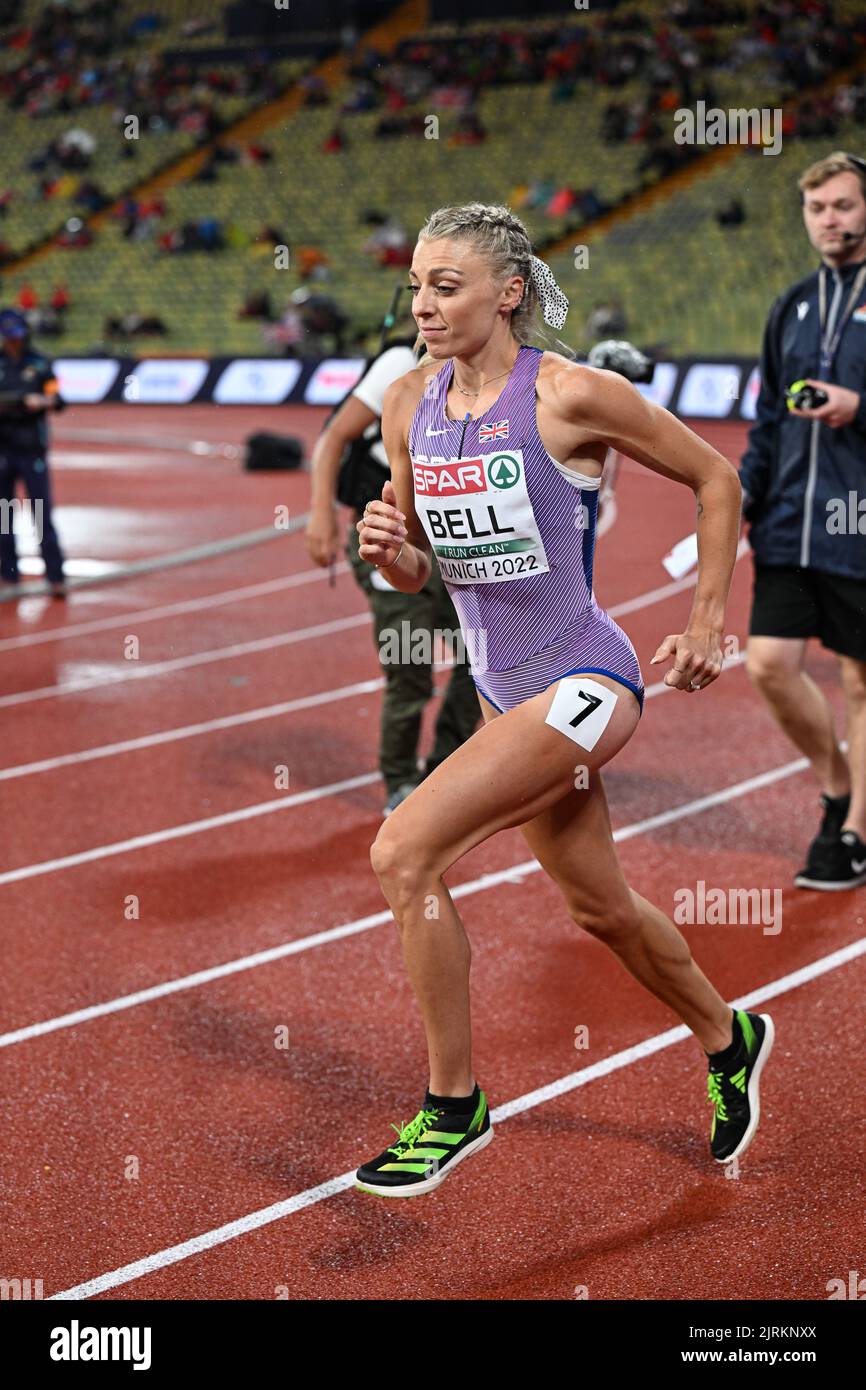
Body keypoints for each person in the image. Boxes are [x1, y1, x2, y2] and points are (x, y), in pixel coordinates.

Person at [352, 203, 774, 1197]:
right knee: (600, 907)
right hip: (506, 695)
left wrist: (706, 618)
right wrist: (395, 554)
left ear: (506, 293)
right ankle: (728, 1036)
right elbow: (427, 575)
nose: (421, 304)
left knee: (402, 850)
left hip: (587, 679)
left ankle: (452, 1105)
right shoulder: (407, 403)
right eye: (414, 284)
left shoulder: (572, 395)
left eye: (444, 286)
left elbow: (715, 479)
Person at [739, 151, 866, 891]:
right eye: (819, 209)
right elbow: (767, 420)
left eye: (845, 205)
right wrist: (743, 495)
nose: (832, 220)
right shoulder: (792, 305)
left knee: (860, 683)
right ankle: (840, 783)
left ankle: (852, 833)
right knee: (768, 665)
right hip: (789, 524)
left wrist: (860, 407)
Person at [305, 326, 479, 815]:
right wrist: (321, 514)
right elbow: (334, 437)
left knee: (481, 658)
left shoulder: (486, 375)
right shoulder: (398, 364)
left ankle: (444, 770)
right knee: (410, 666)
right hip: (386, 536)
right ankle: (401, 782)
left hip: (450, 538)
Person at [0, 307, 67, 596]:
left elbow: (58, 399)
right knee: (4, 516)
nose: (13, 341)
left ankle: (54, 575)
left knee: (40, 513)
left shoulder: (40, 363)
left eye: (17, 335)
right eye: (8, 336)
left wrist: (42, 401)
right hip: (2, 448)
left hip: (31, 450)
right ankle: (8, 574)